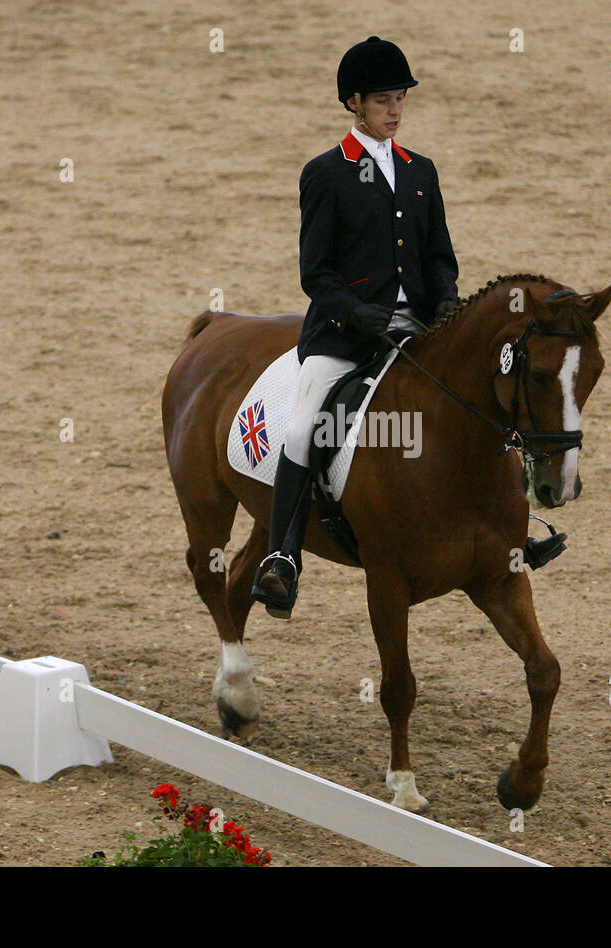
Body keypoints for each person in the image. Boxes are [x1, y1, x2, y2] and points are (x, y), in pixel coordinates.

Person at [251, 35, 459, 619]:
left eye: (400, 100)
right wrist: (357, 312)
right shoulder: (326, 174)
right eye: (382, 102)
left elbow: (439, 257)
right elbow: (314, 273)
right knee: (302, 428)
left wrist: (445, 303)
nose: (394, 111)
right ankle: (283, 557)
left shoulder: (422, 172)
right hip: (343, 337)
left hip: (415, 332)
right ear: (354, 104)